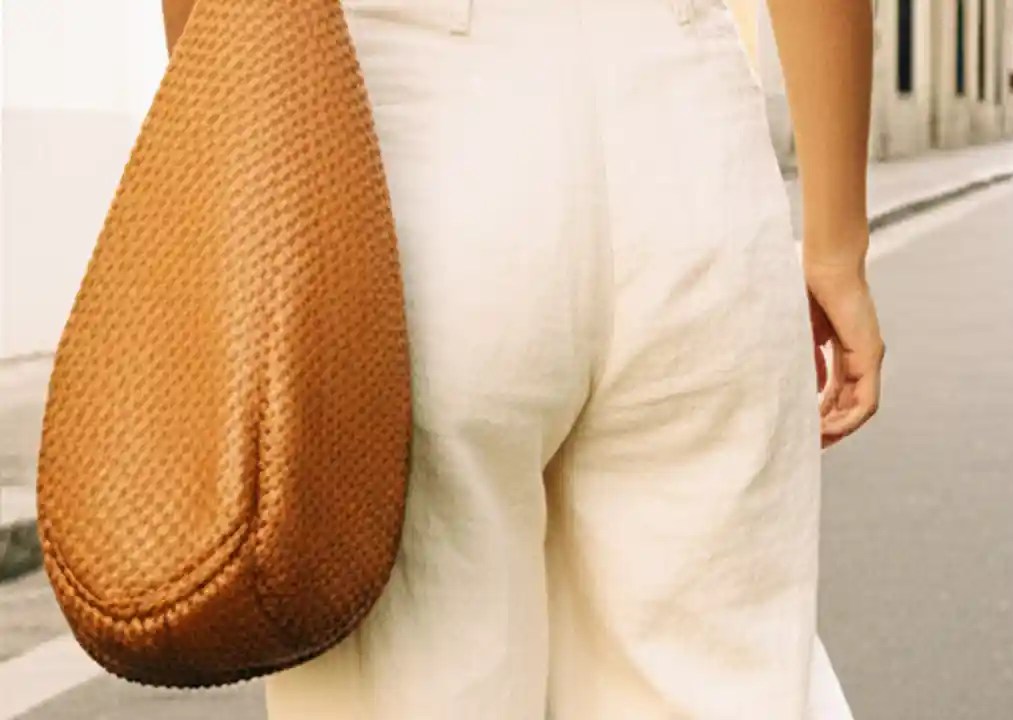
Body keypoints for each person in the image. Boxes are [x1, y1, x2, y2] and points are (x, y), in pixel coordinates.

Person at [161, 0, 881, 716]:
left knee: (414, 686)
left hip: (405, 142)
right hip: (685, 131)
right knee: (717, 684)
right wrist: (836, 245)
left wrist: (230, 222)